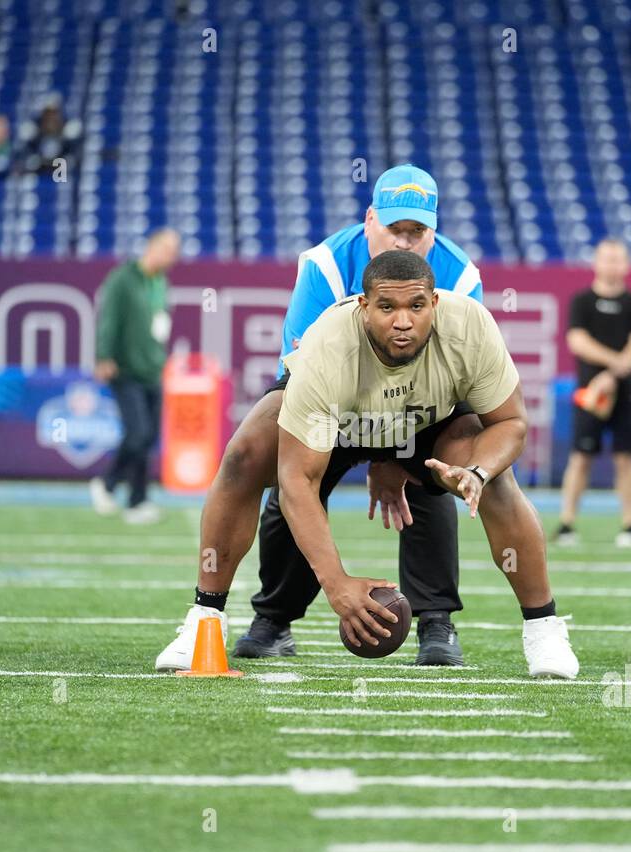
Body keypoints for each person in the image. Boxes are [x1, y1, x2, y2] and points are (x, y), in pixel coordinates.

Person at [156, 251, 579, 678]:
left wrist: (476, 472)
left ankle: (543, 627)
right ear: (363, 307)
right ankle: (205, 619)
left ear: (435, 302)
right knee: (244, 457)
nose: (402, 321)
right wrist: (336, 583)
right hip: (339, 421)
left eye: (416, 306)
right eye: (387, 307)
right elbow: (297, 481)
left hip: (426, 423)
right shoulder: (328, 344)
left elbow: (510, 423)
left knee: (498, 480)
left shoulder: (470, 325)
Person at [202, 165, 483, 667]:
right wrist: (367, 447)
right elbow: (304, 372)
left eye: (416, 231)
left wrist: (397, 458)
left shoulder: (461, 278)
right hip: (328, 403)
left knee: (436, 474)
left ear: (433, 232)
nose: (405, 240)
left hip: (419, 407)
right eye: (395, 228)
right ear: (369, 219)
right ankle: (275, 618)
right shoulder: (327, 266)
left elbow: (454, 381)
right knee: (292, 481)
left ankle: (436, 621)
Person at [554, 238, 631, 548]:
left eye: (617, 259)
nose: (612, 264)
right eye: (606, 258)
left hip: (625, 391)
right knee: (581, 456)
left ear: (626, 265)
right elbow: (577, 341)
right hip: (589, 392)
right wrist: (613, 365)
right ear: (596, 263)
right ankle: (567, 523)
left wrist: (612, 375)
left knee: (626, 457)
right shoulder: (582, 301)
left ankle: (630, 524)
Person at [89, 228, 179, 524]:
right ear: (151, 247)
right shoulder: (123, 279)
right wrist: (104, 356)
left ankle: (137, 500)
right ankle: (107, 483)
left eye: (174, 251)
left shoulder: (160, 283)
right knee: (137, 432)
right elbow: (109, 318)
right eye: (166, 248)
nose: (170, 256)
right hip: (126, 369)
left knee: (148, 436)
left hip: (153, 370)